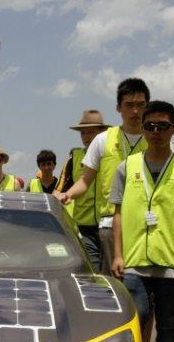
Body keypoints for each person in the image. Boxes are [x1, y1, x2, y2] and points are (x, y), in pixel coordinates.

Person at [110, 101, 174, 342]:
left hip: (170, 263)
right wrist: (117, 254)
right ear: (141, 128)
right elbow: (116, 214)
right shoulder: (126, 167)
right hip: (133, 261)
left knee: (169, 327)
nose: (156, 132)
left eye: (163, 126)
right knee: (135, 322)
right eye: (150, 126)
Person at [54, 78, 150, 276]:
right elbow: (84, 181)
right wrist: (67, 195)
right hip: (109, 224)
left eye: (140, 105)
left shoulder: (155, 139)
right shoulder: (104, 140)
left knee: (142, 294)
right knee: (111, 285)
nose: (135, 111)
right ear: (118, 107)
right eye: (129, 105)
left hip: (145, 226)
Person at [58, 110, 109, 270]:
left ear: (102, 133)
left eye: (91, 132)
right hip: (84, 227)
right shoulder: (74, 159)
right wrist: (62, 196)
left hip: (108, 223)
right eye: (83, 133)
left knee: (111, 273)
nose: (86, 137)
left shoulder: (112, 156)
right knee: (92, 270)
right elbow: (59, 189)